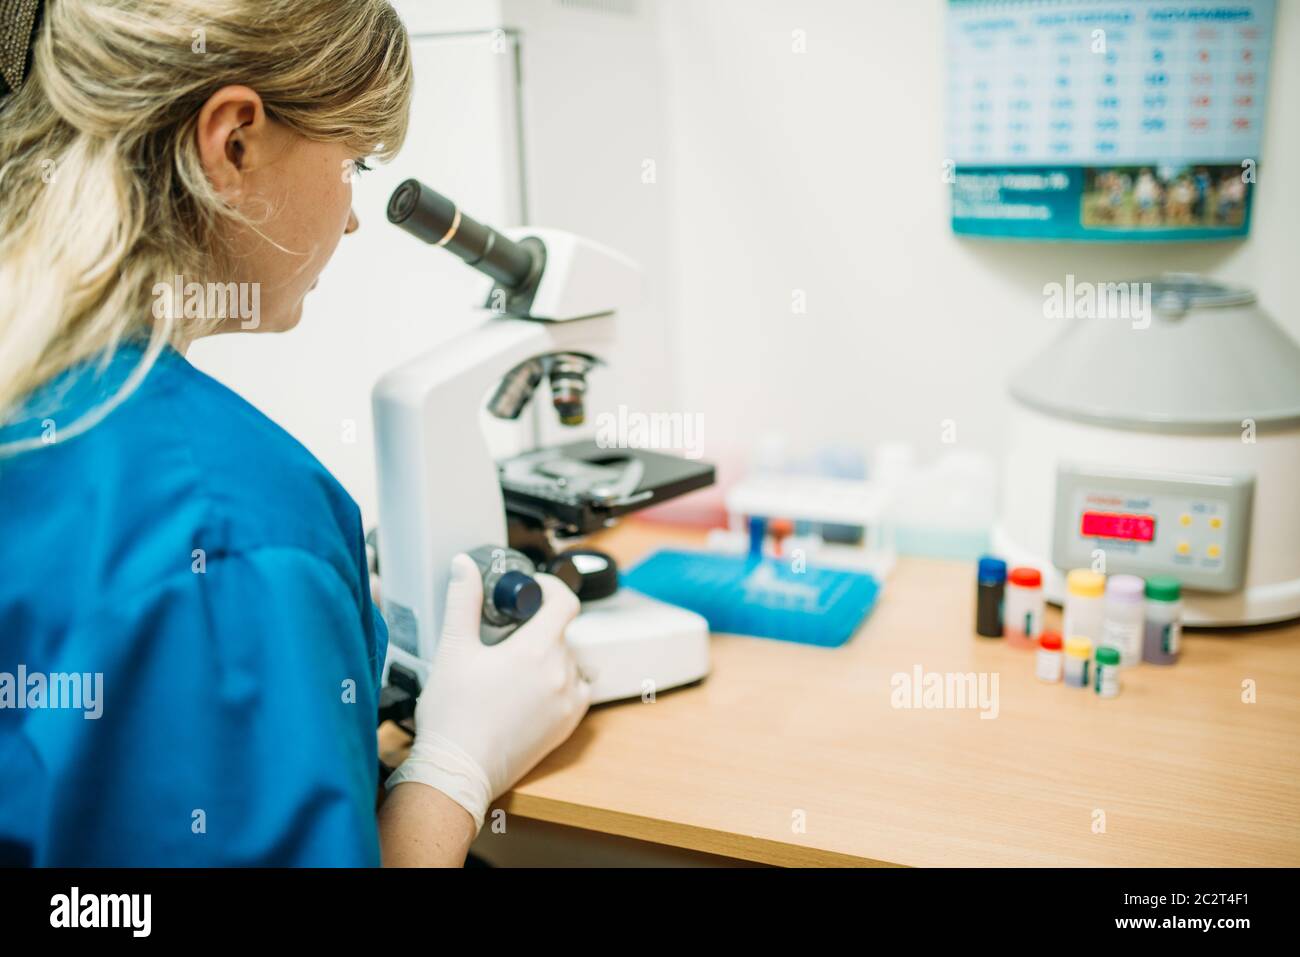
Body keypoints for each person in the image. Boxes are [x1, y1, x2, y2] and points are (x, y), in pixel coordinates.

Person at [0, 0, 589, 867]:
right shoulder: (233, 524)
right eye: (352, 160)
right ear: (232, 142)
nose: (351, 218)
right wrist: (452, 771)